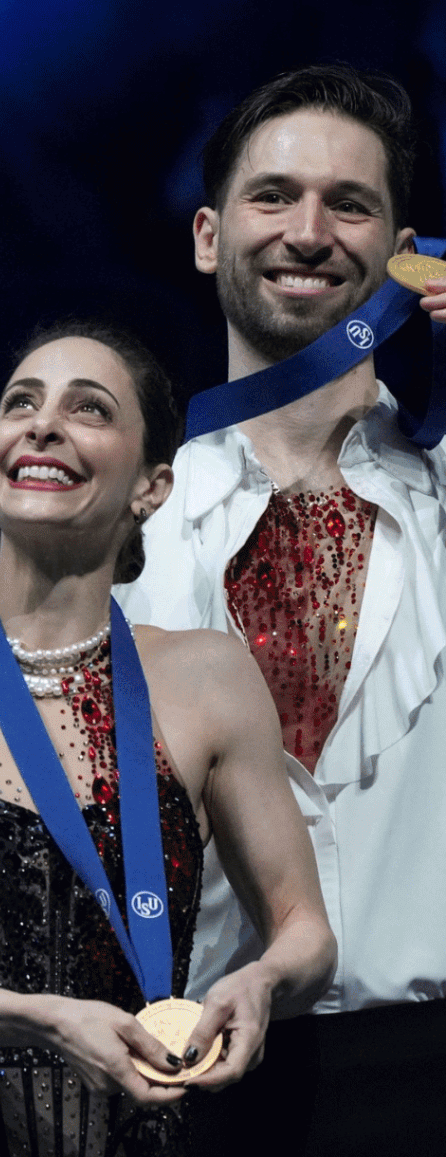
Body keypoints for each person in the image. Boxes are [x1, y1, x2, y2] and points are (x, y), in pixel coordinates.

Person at [115, 65, 446, 1149]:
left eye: (348, 204)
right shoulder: (111, 524)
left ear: (407, 253)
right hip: (191, 1077)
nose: (307, 231)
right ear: (208, 234)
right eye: (272, 197)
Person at [0, 322, 334, 1155]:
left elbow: (305, 928)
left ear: (153, 487)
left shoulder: (205, 678)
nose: (43, 424)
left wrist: (261, 980)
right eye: (21, 402)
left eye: (89, 408)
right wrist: (45, 1021)